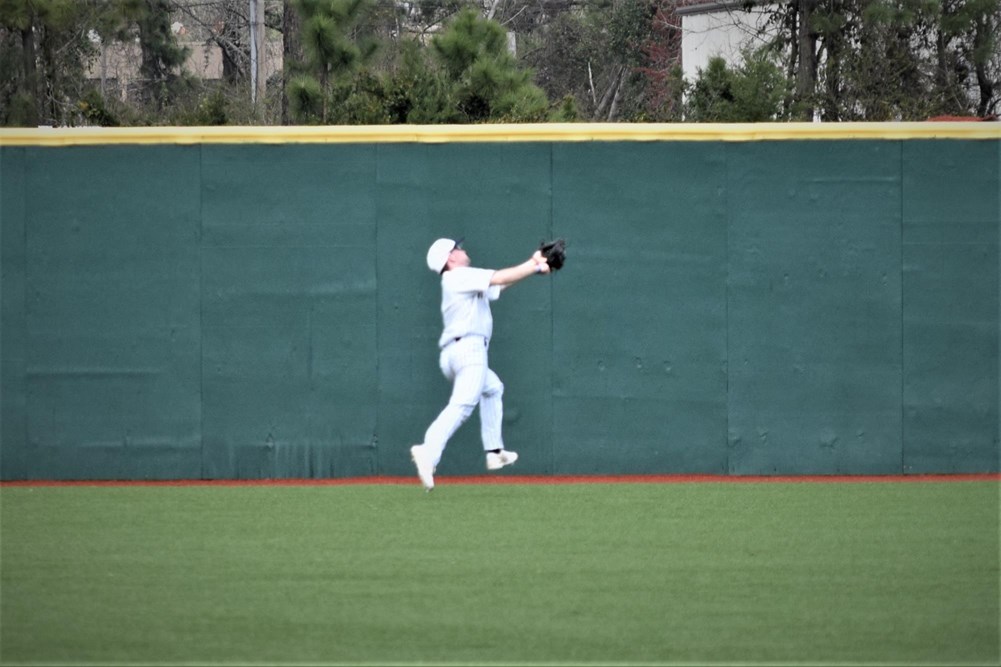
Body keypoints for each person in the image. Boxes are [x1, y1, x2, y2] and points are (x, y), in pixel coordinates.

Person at [410, 238, 551, 491]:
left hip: (455, 353)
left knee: (493, 388)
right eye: (458, 248)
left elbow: (500, 285)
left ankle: (494, 451)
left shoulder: (464, 280)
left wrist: (534, 267)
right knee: (462, 406)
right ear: (450, 258)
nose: (463, 250)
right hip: (469, 350)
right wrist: (535, 264)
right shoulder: (459, 275)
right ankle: (428, 450)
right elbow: (500, 277)